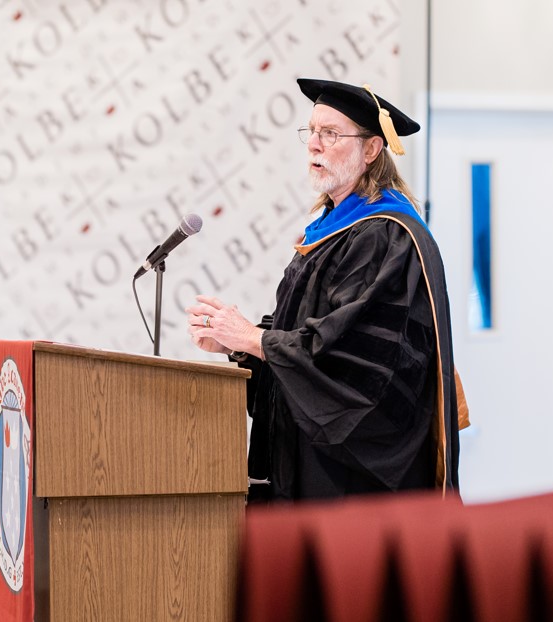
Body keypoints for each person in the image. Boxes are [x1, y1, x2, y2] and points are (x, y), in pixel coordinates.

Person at [186, 78, 461, 502]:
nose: (314, 144)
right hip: (308, 466)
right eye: (311, 131)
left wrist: (256, 339)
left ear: (371, 151)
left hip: (353, 486)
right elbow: (306, 335)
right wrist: (238, 346)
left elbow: (352, 359)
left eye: (330, 134)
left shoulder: (385, 237)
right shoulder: (331, 231)